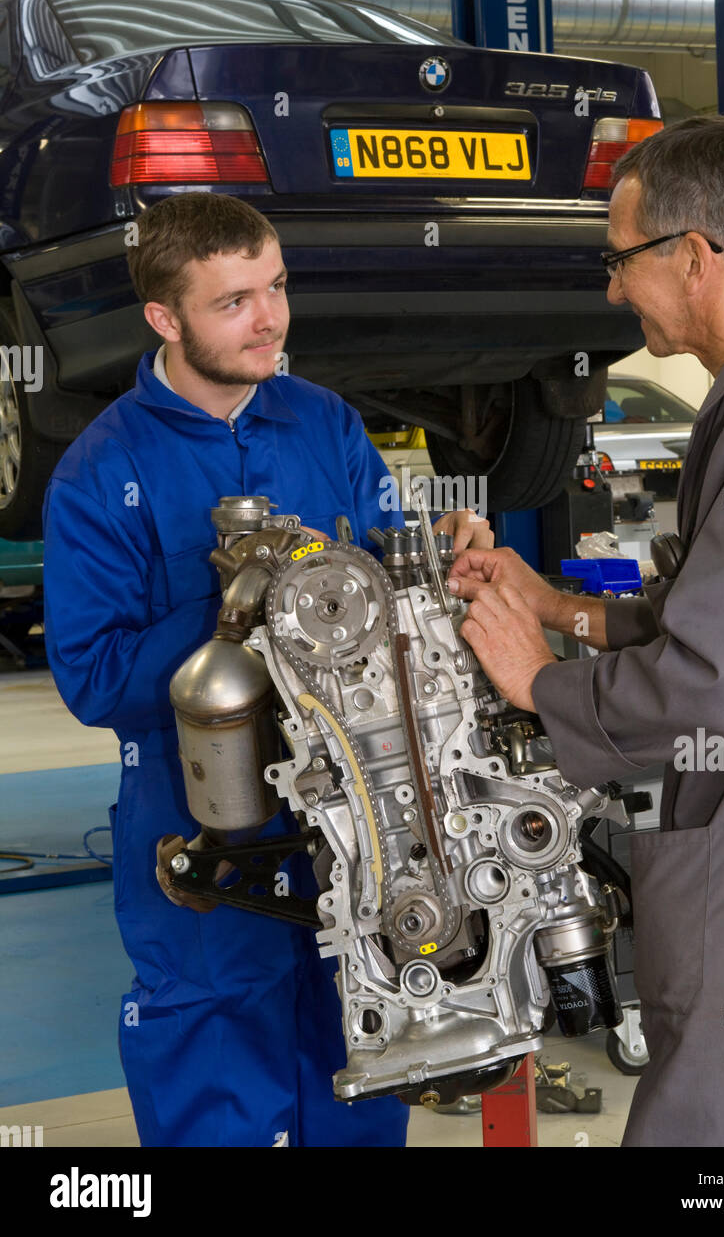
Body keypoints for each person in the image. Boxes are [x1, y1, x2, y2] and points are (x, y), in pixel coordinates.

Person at [448, 115, 724, 1148]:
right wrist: (563, 608)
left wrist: (541, 683)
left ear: (692, 254)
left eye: (617, 260)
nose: (607, 291)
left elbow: (721, 672)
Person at [42, 191, 492, 1148]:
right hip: (204, 819)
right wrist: (240, 611)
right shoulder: (99, 470)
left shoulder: (323, 423)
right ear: (166, 318)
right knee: (215, 1072)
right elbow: (92, 677)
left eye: (277, 286)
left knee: (362, 1052)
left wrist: (434, 556)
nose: (272, 318)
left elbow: (381, 582)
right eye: (235, 300)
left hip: (354, 821)